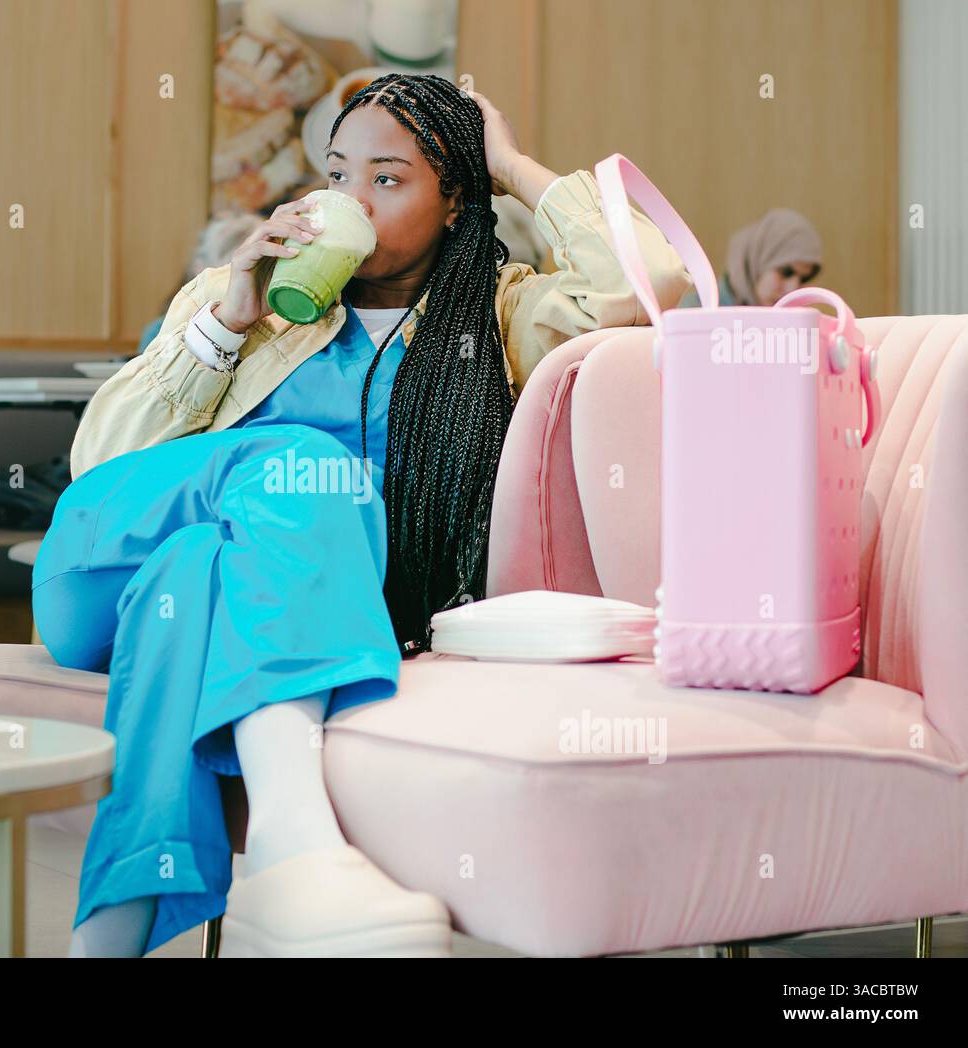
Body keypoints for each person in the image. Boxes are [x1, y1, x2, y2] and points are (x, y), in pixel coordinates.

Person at [36, 73, 691, 958]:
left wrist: (515, 166)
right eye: (339, 174)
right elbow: (103, 471)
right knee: (311, 472)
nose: (351, 199)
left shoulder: (500, 316)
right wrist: (229, 320)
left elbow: (650, 280)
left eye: (388, 179)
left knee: (196, 571)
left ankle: (109, 935)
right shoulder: (241, 302)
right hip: (95, 583)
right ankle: (295, 841)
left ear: (456, 200)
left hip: (231, 605)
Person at [136, 212, 268, 353]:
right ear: (199, 269)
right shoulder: (160, 333)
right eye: (228, 269)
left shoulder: (275, 331)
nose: (245, 281)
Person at [680, 207, 823, 307]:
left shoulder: (789, 328)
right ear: (756, 261)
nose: (792, 289)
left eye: (803, 279)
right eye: (786, 272)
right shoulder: (694, 313)